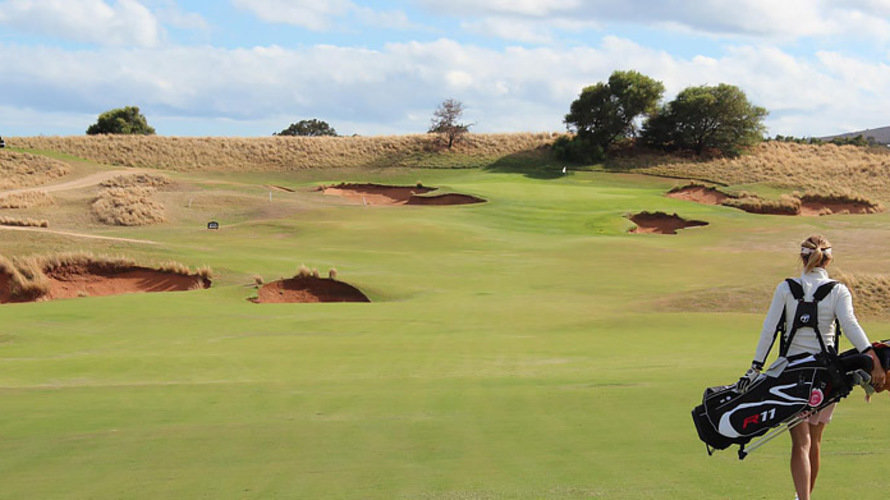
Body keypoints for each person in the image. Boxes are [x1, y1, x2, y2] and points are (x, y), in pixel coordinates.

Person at [737, 234, 885, 500]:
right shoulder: (838, 290)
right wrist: (872, 357)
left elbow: (769, 330)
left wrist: (756, 367)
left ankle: (802, 499)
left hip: (790, 376)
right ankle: (803, 498)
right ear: (828, 260)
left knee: (801, 442)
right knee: (814, 442)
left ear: (802, 258)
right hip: (827, 377)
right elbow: (850, 326)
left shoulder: (786, 288)